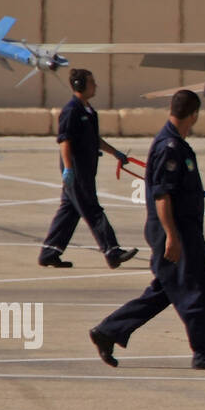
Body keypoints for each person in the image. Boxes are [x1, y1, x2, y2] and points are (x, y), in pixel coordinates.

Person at [88, 89, 205, 370]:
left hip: (181, 230)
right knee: (199, 292)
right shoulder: (170, 147)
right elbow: (162, 196)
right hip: (176, 232)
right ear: (194, 115)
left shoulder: (174, 143)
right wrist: (171, 236)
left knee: (165, 290)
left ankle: (109, 331)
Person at [38, 68, 138, 269]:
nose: (96, 86)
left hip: (87, 170)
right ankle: (112, 251)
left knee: (70, 210)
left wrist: (116, 153)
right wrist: (68, 169)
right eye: (92, 82)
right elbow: (64, 142)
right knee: (92, 209)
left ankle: (50, 251)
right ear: (79, 86)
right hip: (77, 172)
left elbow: (95, 139)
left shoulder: (89, 111)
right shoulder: (72, 110)